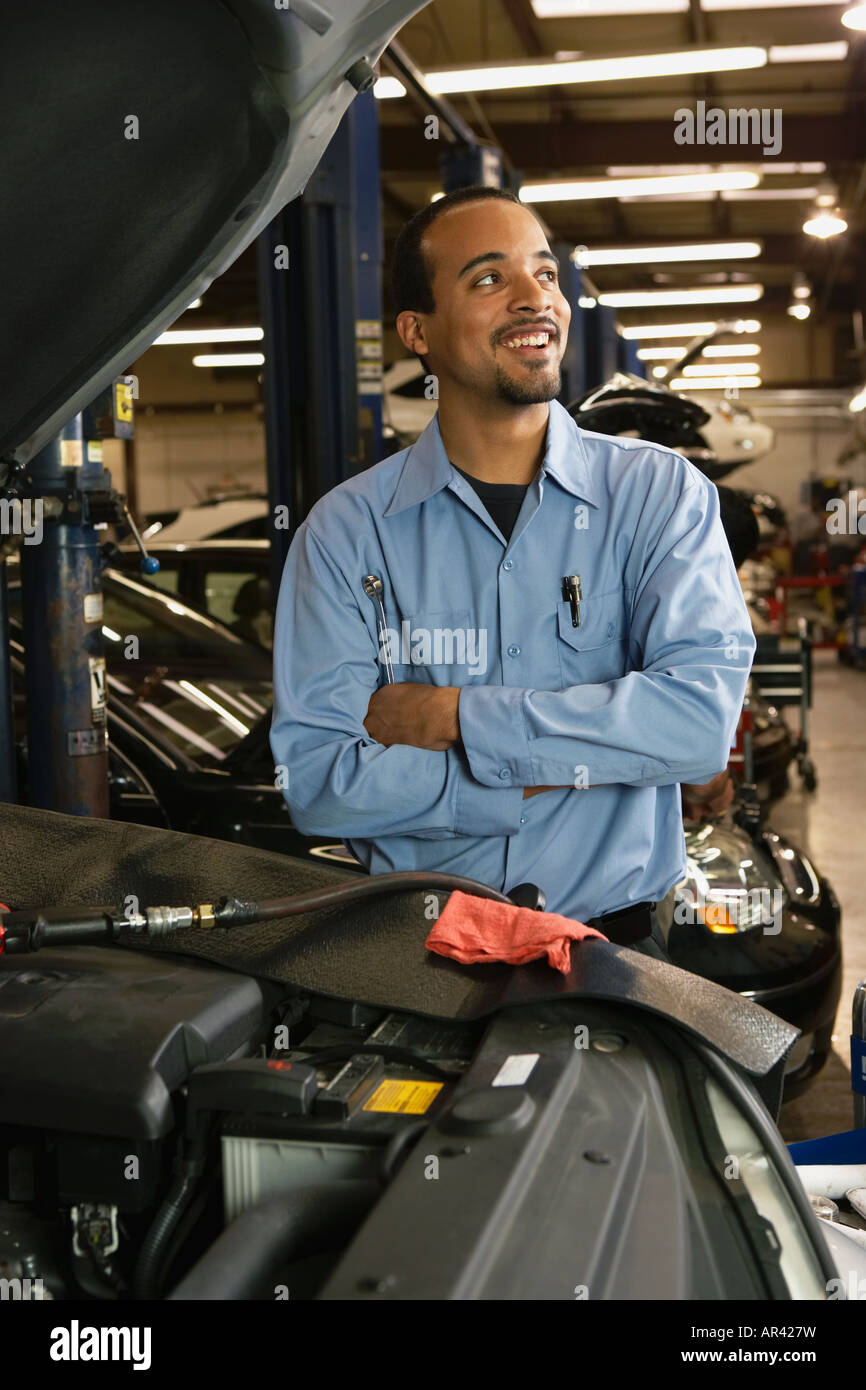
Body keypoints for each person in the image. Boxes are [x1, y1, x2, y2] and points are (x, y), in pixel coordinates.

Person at [269, 186, 756, 961]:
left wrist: (455, 717)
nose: (536, 300)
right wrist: (562, 763)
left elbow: (696, 730)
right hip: (415, 955)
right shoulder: (345, 534)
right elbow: (321, 784)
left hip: (616, 950)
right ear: (417, 331)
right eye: (489, 279)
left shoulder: (658, 495)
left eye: (546, 274)